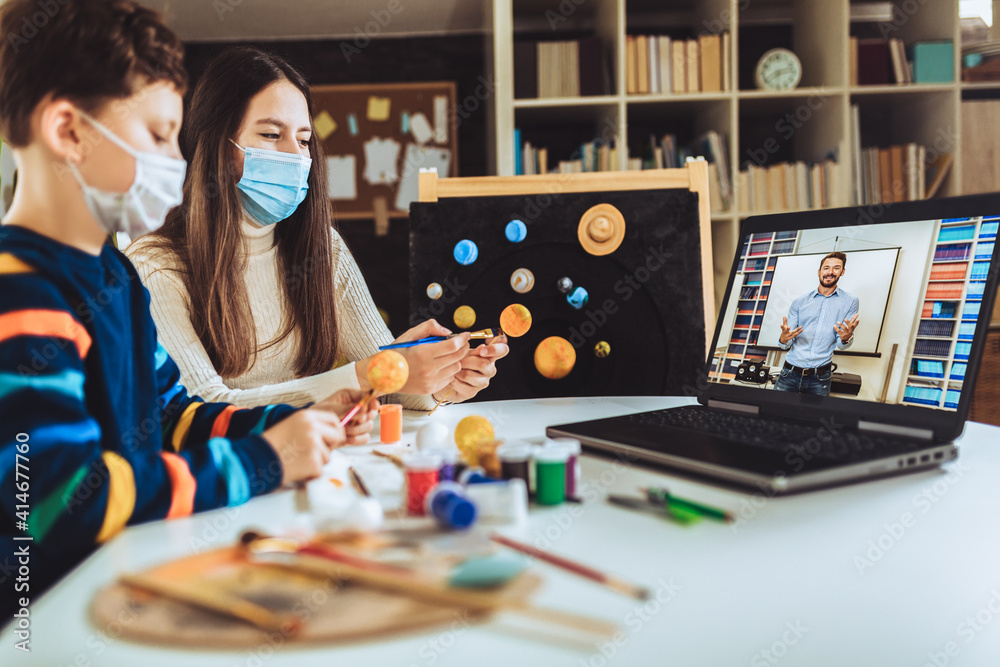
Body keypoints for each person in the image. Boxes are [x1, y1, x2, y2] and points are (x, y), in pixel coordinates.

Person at [0, 0, 375, 618]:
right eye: (155, 134)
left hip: (124, 588)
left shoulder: (114, 275)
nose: (176, 161)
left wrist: (285, 423)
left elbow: (172, 415)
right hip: (43, 625)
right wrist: (264, 461)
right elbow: (64, 500)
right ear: (67, 132)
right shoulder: (21, 295)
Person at [126, 47, 508, 410]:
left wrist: (441, 381)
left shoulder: (323, 247)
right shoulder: (155, 266)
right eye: (272, 135)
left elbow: (389, 387)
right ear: (220, 148)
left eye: (304, 139)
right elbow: (201, 409)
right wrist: (372, 375)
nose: (296, 155)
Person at [775, 251, 860, 396]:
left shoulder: (851, 301)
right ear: (819, 272)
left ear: (842, 272)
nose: (830, 272)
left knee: (813, 418)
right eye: (826, 268)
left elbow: (841, 344)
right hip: (789, 374)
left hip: (820, 378)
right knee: (773, 414)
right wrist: (783, 339)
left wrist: (846, 337)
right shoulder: (799, 302)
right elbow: (785, 343)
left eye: (836, 268)